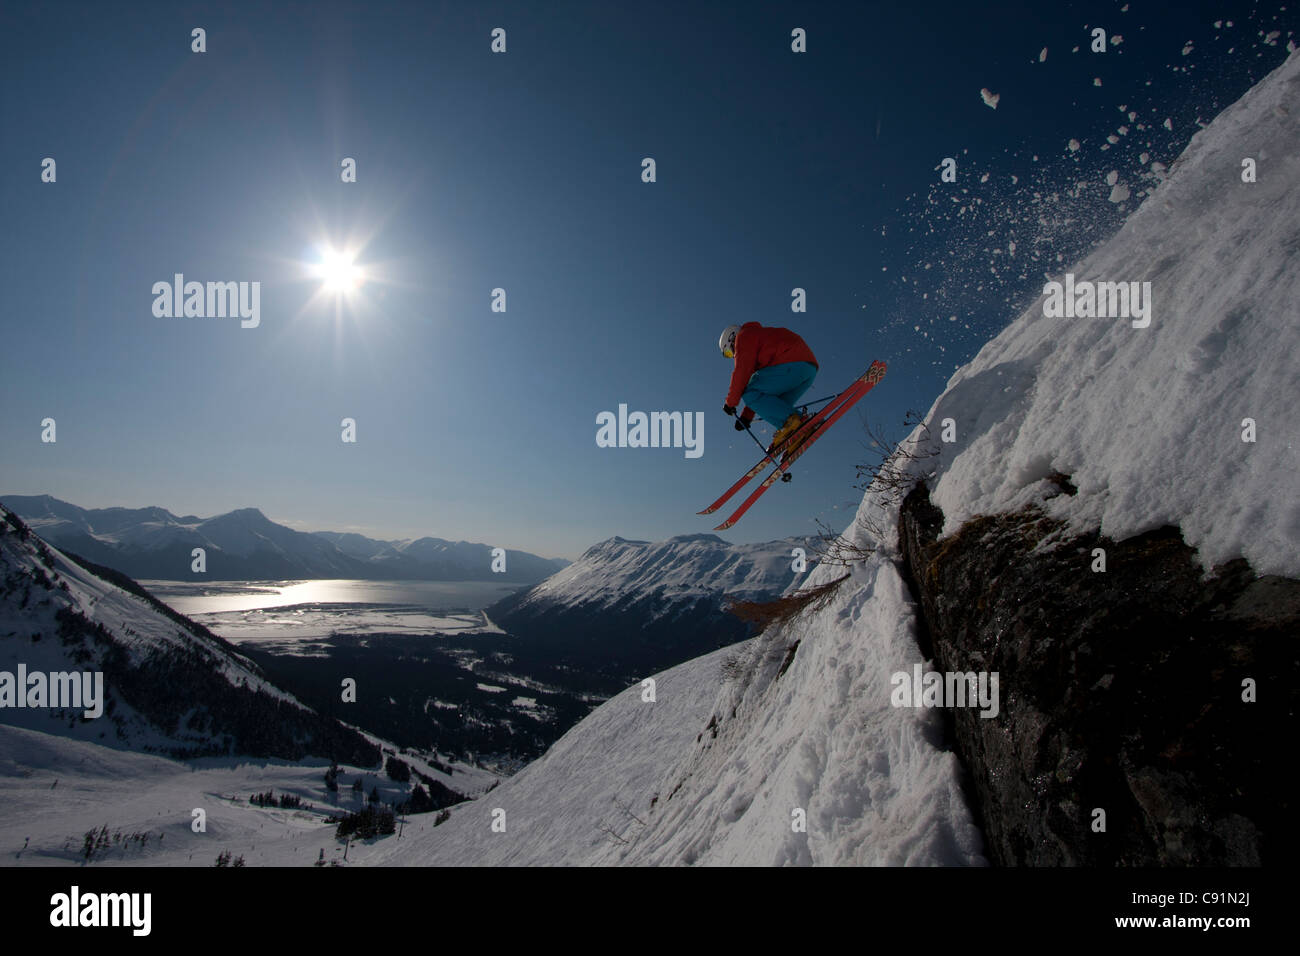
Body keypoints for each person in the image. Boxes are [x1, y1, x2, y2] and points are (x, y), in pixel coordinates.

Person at [719, 322, 819, 456]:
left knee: (749, 393)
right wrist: (746, 417)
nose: (732, 355)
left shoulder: (744, 336)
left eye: (728, 352)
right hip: (807, 370)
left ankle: (796, 423)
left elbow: (742, 372)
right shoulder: (758, 338)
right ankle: (795, 432)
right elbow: (759, 392)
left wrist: (730, 402)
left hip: (790, 362)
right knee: (775, 405)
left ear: (731, 339)